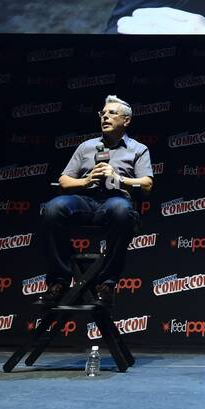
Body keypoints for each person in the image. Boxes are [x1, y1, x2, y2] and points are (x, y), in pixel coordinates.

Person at [39, 95, 153, 307]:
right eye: (103, 113)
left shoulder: (138, 149)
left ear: (126, 121)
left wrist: (117, 179)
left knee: (121, 210)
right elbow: (63, 181)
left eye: (111, 113)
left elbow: (146, 184)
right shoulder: (86, 147)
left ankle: (107, 283)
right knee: (53, 209)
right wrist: (87, 180)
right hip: (83, 199)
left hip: (115, 199)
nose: (105, 117)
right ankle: (59, 281)